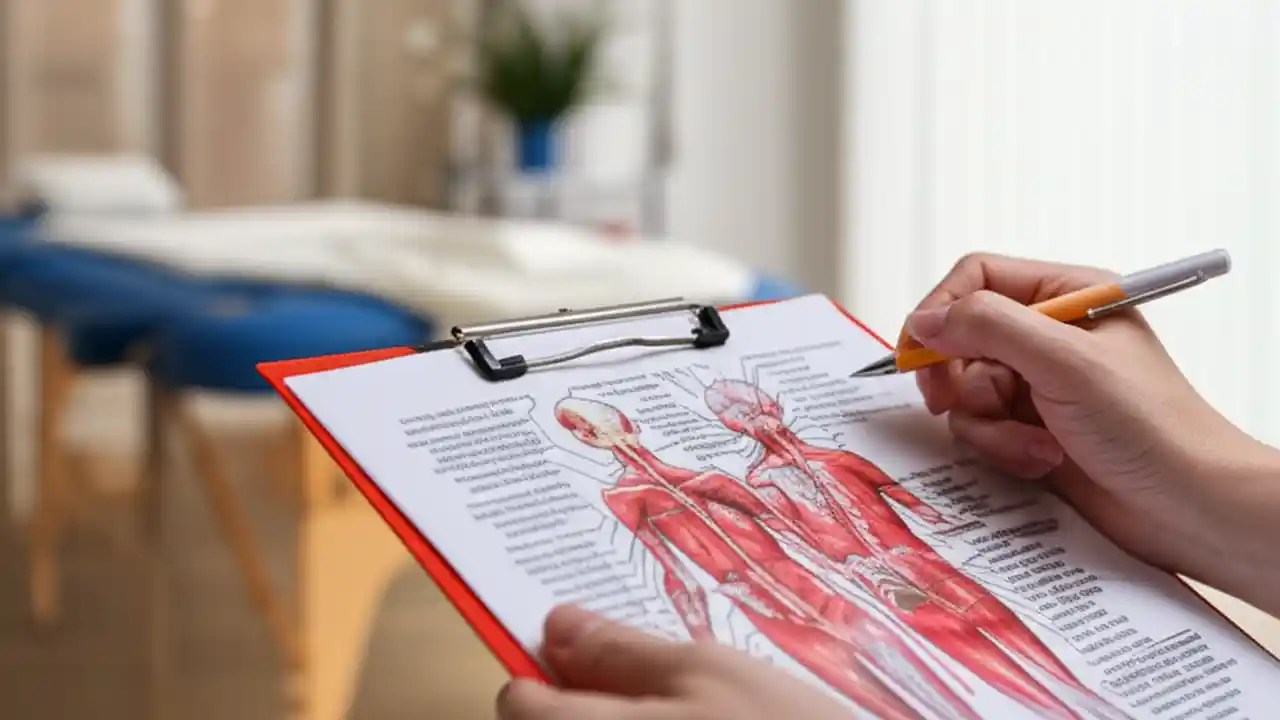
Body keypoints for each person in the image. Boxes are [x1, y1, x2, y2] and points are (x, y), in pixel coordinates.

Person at [496, 253, 1280, 720]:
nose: (752, 414)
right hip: (813, 607)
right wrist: (1203, 496)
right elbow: (692, 568)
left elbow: (915, 514)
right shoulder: (688, 486)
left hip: (896, 580)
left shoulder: (753, 472)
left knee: (1050, 686)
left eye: (751, 403)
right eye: (583, 432)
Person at [552, 397, 976, 720]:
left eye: (609, 421)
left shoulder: (712, 480)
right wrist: (703, 648)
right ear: (583, 440)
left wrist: (860, 570)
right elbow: (673, 571)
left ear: (634, 424)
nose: (601, 431)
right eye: (585, 429)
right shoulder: (624, 497)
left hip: (815, 588)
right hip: (760, 605)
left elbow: (790, 531)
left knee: (940, 697)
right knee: (875, 704)